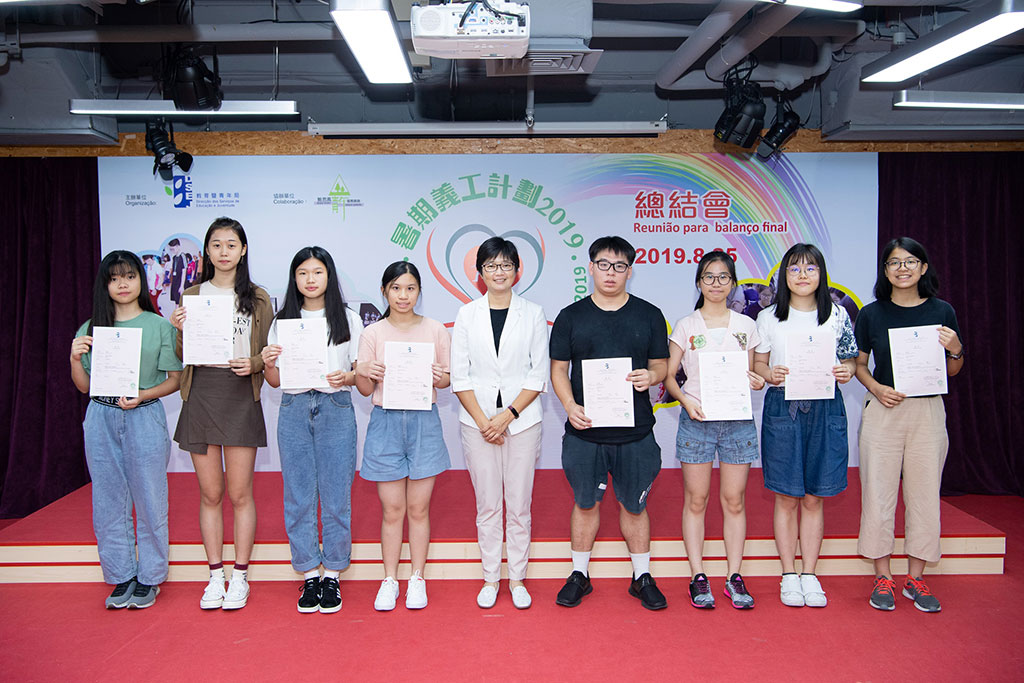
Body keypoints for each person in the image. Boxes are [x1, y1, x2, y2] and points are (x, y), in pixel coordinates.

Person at [549, 236, 669, 610]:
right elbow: (558, 369)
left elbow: (661, 364)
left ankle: (641, 576)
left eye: (619, 266)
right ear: (591, 268)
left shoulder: (649, 314)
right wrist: (569, 405)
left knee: (634, 506)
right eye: (603, 264)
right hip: (585, 431)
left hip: (636, 432)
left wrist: (652, 376)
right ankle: (579, 574)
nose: (611, 272)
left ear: (630, 271)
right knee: (585, 503)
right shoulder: (571, 316)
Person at [854, 237, 963, 613]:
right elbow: (859, 364)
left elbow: (953, 370)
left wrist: (956, 349)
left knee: (924, 495)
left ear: (923, 267)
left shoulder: (942, 311)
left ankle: (916, 577)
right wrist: (876, 388)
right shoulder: (871, 313)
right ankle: (882, 576)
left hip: (927, 412)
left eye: (910, 261)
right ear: (885, 271)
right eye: (894, 263)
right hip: (884, 408)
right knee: (878, 494)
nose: (902, 268)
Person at [169, 217, 273, 611]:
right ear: (207, 251)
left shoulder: (258, 297)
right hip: (202, 393)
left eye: (231, 244)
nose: (224, 251)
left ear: (243, 250)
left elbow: (270, 350)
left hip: (239, 394)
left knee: (239, 493)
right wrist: (179, 329)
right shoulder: (192, 294)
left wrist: (255, 363)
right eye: (216, 244)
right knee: (210, 494)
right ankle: (215, 575)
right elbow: (183, 355)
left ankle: (240, 576)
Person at [70, 251, 182, 609]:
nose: (122, 284)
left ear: (141, 281)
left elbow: (175, 380)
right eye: (114, 278)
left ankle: (150, 577)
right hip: (101, 416)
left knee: (150, 498)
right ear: (105, 284)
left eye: (130, 276)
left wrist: (143, 395)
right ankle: (120, 575)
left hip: (143, 414)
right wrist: (75, 358)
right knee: (108, 500)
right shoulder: (91, 328)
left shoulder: (159, 326)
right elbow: (84, 386)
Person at [753, 243, 857, 608]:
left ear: (821, 274)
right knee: (786, 495)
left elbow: (850, 361)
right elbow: (759, 365)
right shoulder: (768, 317)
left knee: (814, 497)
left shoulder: (838, 315)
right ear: (784, 276)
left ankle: (809, 574)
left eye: (810, 268)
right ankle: (787, 575)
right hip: (784, 406)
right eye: (794, 269)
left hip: (826, 405)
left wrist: (846, 371)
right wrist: (770, 374)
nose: (802, 275)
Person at [262, 247, 363, 614]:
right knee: (298, 495)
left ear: (329, 276)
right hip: (293, 408)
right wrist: (267, 363)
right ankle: (308, 574)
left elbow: (360, 373)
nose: (310, 279)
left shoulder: (349, 319)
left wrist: (346, 377)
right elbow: (275, 381)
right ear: (294, 278)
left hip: (335, 407)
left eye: (317, 272)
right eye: (303, 273)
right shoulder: (282, 321)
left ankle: (332, 574)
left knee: (337, 495)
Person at [451, 237, 549, 610]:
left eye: (506, 265)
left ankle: (518, 578)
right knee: (488, 504)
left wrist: (507, 415)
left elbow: (538, 374)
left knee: (519, 504)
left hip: (522, 422)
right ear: (480, 272)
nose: (499, 272)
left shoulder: (533, 313)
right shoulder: (466, 314)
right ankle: (491, 577)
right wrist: (484, 422)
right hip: (476, 423)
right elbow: (460, 375)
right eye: (491, 266)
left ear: (517, 271)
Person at [664, 251, 766, 610]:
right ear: (699, 282)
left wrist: (757, 381)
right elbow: (669, 376)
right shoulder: (686, 325)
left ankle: (734, 575)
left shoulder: (746, 326)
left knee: (734, 500)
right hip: (697, 420)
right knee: (696, 500)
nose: (716, 283)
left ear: (733, 283)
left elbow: (755, 373)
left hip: (737, 422)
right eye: (709, 276)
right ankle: (698, 575)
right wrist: (685, 402)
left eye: (723, 277)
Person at [355, 261, 451, 611]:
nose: (403, 295)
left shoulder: (435, 329)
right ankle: (389, 580)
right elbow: (365, 389)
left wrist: (439, 376)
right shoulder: (373, 333)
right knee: (392, 510)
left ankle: (417, 578)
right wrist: (365, 371)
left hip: (424, 421)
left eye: (410, 288)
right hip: (386, 422)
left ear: (419, 292)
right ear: (384, 291)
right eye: (396, 288)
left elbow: (446, 380)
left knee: (418, 508)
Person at [168, 238, 186, 306]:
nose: (172, 251)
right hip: (175, 281)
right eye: (171, 249)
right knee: (176, 301)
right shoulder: (174, 257)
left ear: (178, 246)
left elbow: (184, 271)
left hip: (180, 281)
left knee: (180, 301)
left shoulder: (183, 256)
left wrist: (182, 286)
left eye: (173, 249)